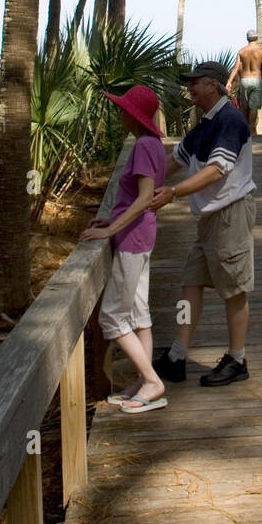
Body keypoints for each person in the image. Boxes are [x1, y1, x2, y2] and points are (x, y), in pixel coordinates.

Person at [152, 61, 256, 388]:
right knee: (191, 281)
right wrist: (142, 185)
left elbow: (216, 171)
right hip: (210, 217)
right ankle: (177, 355)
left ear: (213, 85)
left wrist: (173, 193)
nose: (190, 88)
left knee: (234, 288)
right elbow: (175, 161)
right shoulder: (203, 125)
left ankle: (237, 359)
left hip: (230, 214)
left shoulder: (229, 120)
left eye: (195, 83)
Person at [80, 84, 169, 414]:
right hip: (140, 236)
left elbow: (146, 197)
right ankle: (146, 383)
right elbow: (135, 197)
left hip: (132, 239)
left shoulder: (144, 146)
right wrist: (109, 219)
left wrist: (115, 227)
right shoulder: (152, 144)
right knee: (138, 314)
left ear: (134, 116)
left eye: (123, 110)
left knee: (112, 318)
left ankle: (152, 381)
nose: (119, 114)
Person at [226, 31, 262, 136]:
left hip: (244, 80)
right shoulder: (261, 51)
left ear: (247, 38)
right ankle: (252, 130)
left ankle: (245, 129)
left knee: (244, 106)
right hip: (256, 80)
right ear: (256, 38)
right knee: (254, 107)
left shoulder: (242, 51)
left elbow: (236, 68)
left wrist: (229, 81)